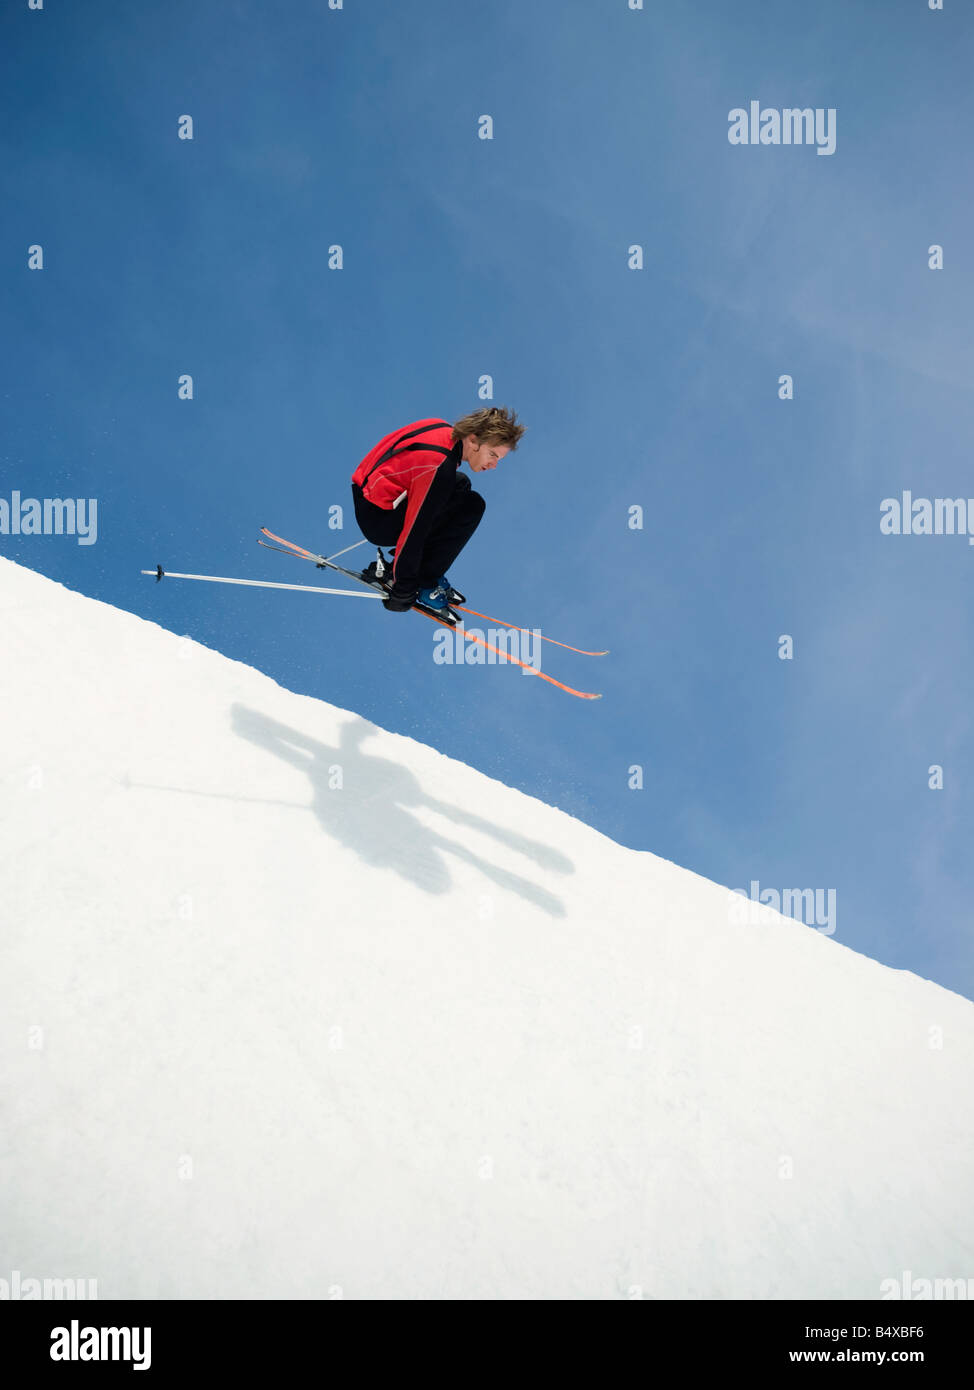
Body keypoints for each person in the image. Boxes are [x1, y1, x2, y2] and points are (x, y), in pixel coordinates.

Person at [350, 406, 525, 616]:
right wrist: (403, 588)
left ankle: (422, 569)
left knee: (460, 485)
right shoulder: (439, 466)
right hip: (378, 519)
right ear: (473, 439)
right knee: (472, 507)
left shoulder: (442, 430)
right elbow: (415, 530)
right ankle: (425, 581)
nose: (494, 464)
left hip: (368, 497)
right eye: (493, 454)